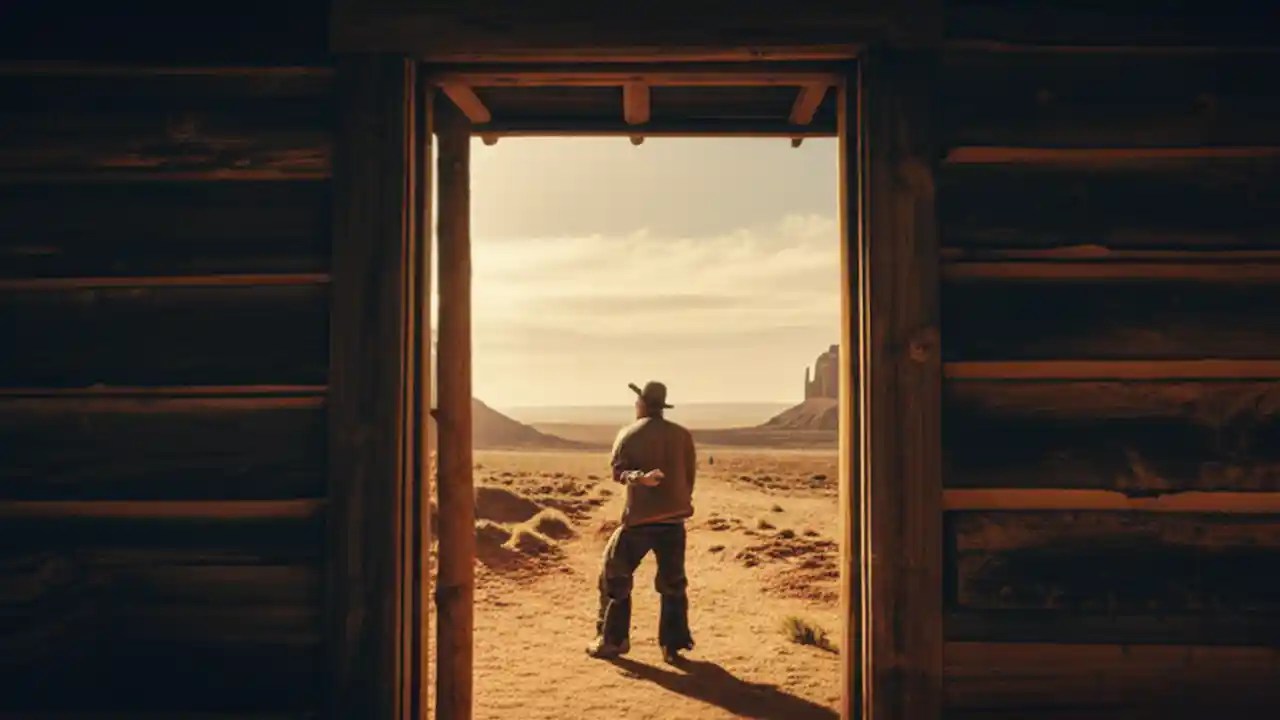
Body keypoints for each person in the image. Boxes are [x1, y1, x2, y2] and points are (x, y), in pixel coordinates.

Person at [587, 380, 697, 664]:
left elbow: (619, 473)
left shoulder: (629, 434)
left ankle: (613, 639)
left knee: (615, 573)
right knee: (673, 582)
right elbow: (689, 477)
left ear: (642, 404)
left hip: (640, 521)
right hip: (674, 520)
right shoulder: (683, 435)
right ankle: (673, 645)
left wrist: (641, 479)